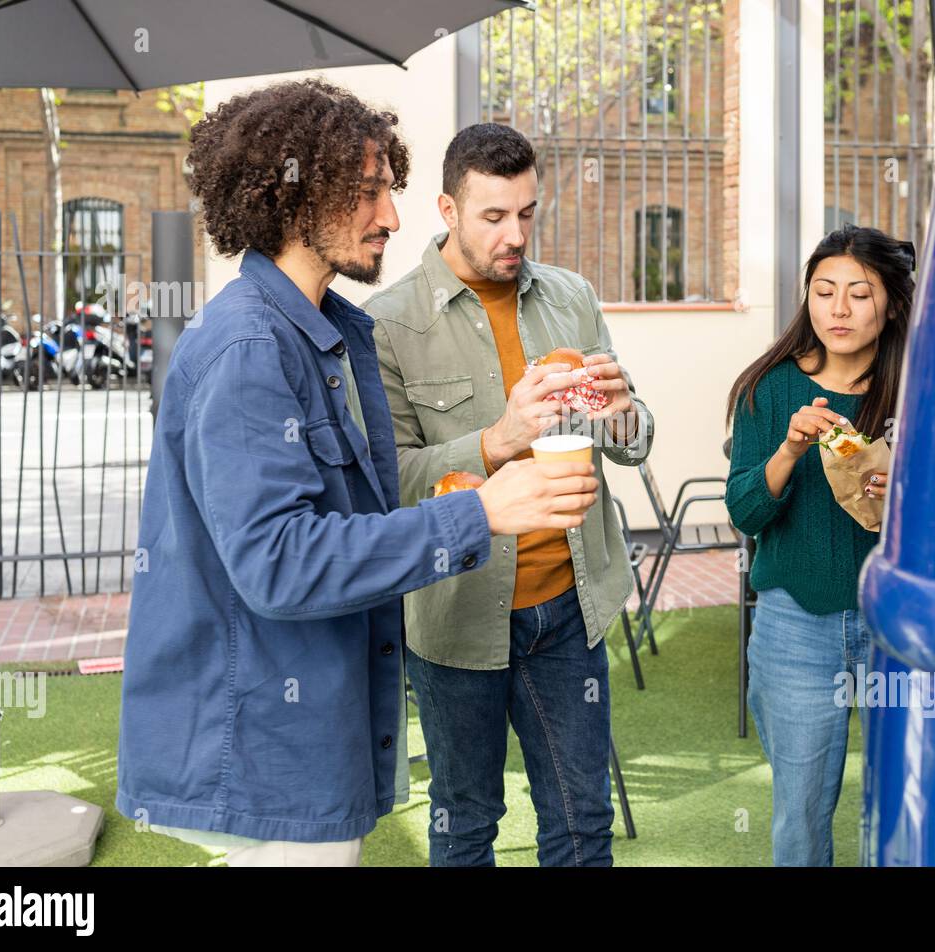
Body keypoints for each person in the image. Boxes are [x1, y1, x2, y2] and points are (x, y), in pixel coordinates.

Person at [115, 81, 599, 867]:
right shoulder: (250, 348)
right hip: (265, 745)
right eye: (369, 192)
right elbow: (281, 563)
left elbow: (340, 520)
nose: (392, 216)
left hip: (306, 732)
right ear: (292, 199)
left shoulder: (326, 332)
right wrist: (481, 516)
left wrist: (460, 494)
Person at [365, 123, 654, 867]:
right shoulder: (387, 326)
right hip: (458, 615)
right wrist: (497, 438)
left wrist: (619, 410)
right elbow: (388, 481)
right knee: (466, 825)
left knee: (581, 822)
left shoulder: (570, 298)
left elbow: (634, 436)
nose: (515, 234)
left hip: (571, 610)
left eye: (527, 213)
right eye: (494, 216)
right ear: (447, 209)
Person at [724, 223, 913, 866]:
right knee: (801, 818)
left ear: (889, 305)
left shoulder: (919, 390)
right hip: (795, 627)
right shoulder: (769, 388)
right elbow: (746, 512)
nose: (839, 309)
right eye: (824, 290)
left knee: (908, 805)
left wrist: (907, 487)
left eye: (860, 294)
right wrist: (790, 448)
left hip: (899, 625)